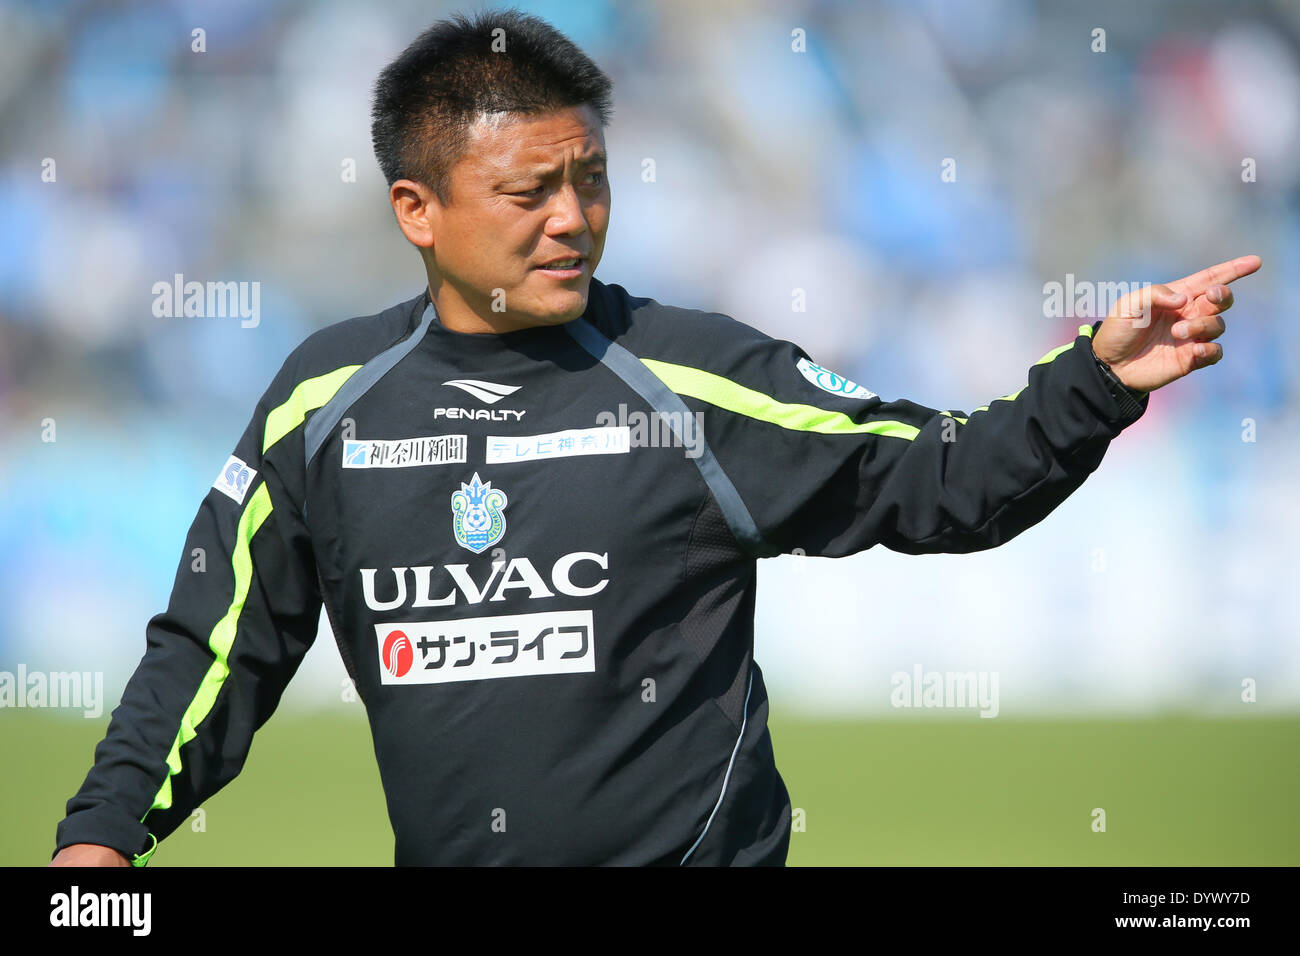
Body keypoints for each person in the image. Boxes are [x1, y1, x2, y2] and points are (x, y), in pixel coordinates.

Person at [51, 9, 1260, 867]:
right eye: (530, 191)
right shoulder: (325, 404)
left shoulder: (689, 376)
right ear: (415, 210)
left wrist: (1096, 377)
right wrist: (99, 844)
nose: (573, 218)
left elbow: (944, 480)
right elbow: (208, 651)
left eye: (592, 179)